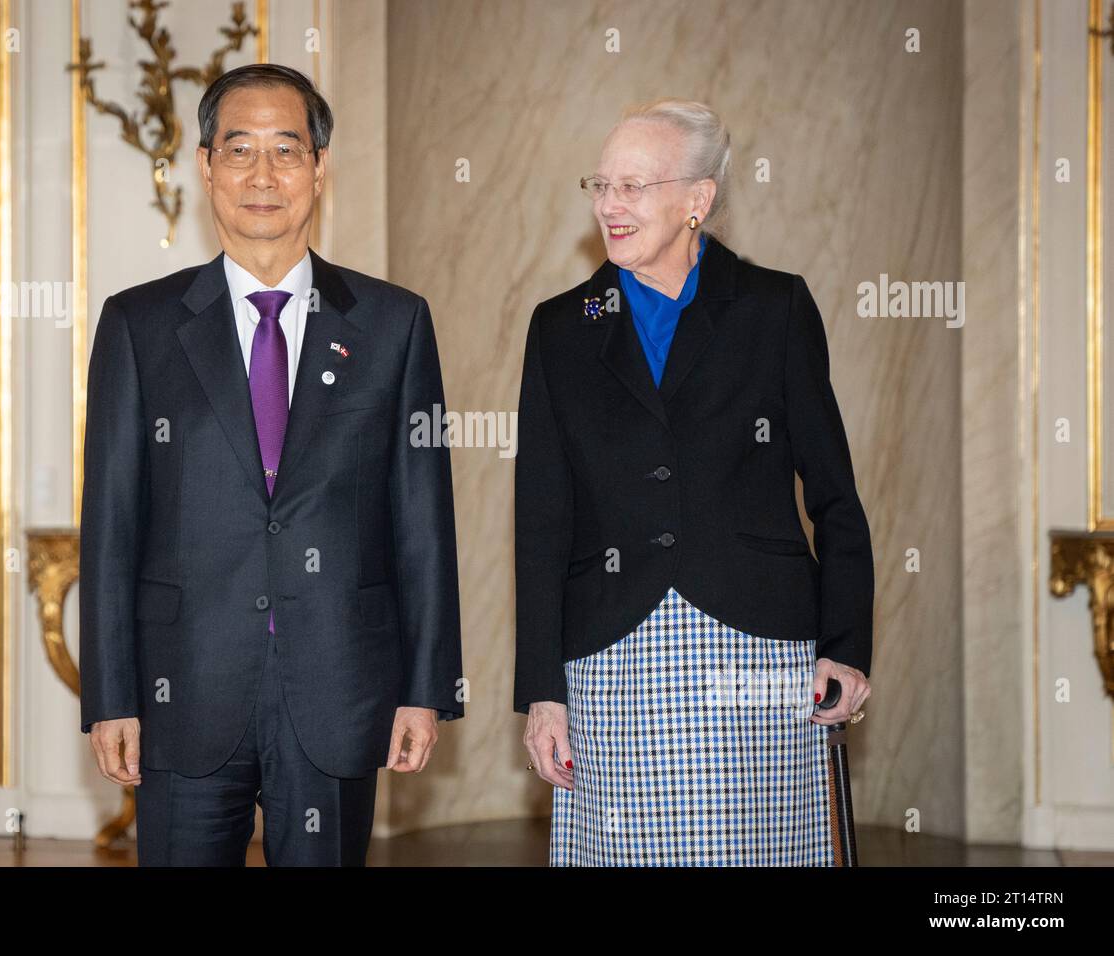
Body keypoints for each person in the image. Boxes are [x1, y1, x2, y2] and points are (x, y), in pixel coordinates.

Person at [79, 64, 463, 866]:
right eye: (240, 149)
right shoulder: (138, 327)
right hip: (182, 693)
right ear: (205, 166)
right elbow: (111, 526)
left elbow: (422, 520)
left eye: (286, 151)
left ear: (320, 169)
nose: (263, 175)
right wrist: (110, 696)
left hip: (337, 689)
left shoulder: (394, 324)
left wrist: (426, 688)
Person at [514, 99, 874, 865]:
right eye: (600, 185)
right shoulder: (559, 328)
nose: (610, 205)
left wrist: (845, 645)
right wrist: (543, 691)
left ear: (697, 200)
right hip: (611, 654)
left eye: (634, 186)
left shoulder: (775, 308)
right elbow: (541, 521)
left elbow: (835, 496)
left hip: (757, 655)